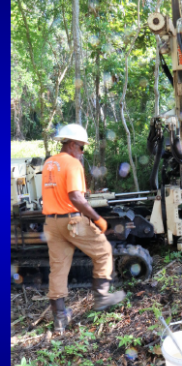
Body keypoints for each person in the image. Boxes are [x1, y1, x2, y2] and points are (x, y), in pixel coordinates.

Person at [42, 124, 125, 334]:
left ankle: (60, 319)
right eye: (81, 148)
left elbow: (58, 192)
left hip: (52, 223)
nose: (82, 153)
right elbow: (75, 197)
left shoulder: (49, 163)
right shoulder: (72, 164)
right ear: (71, 145)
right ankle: (102, 297)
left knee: (58, 268)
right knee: (104, 251)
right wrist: (97, 219)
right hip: (72, 222)